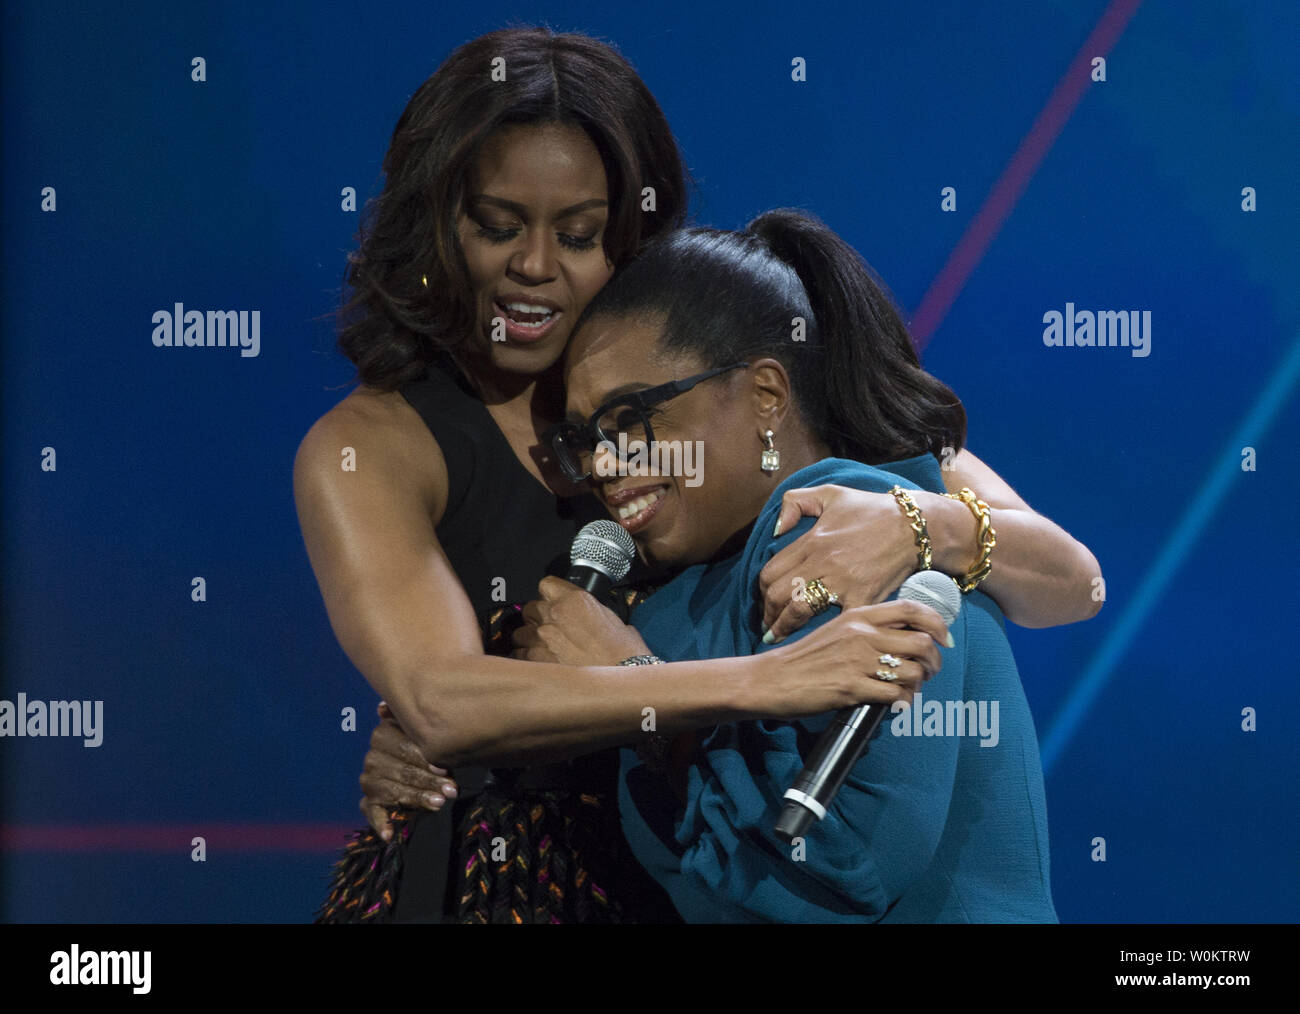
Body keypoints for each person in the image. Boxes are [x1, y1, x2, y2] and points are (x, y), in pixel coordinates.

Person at [296, 26, 1097, 924]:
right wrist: (755, 682)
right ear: (436, 225)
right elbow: (443, 699)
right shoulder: (378, 443)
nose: (534, 266)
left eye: (580, 233)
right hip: (515, 883)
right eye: (496, 226)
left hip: (700, 857)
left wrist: (921, 526)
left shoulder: (720, 378)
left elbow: (1075, 581)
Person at [514, 208, 1057, 920]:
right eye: (586, 439)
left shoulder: (847, 531)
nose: (606, 465)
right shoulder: (680, 590)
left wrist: (641, 703)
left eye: (631, 417)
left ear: (767, 393)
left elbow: (844, 865)